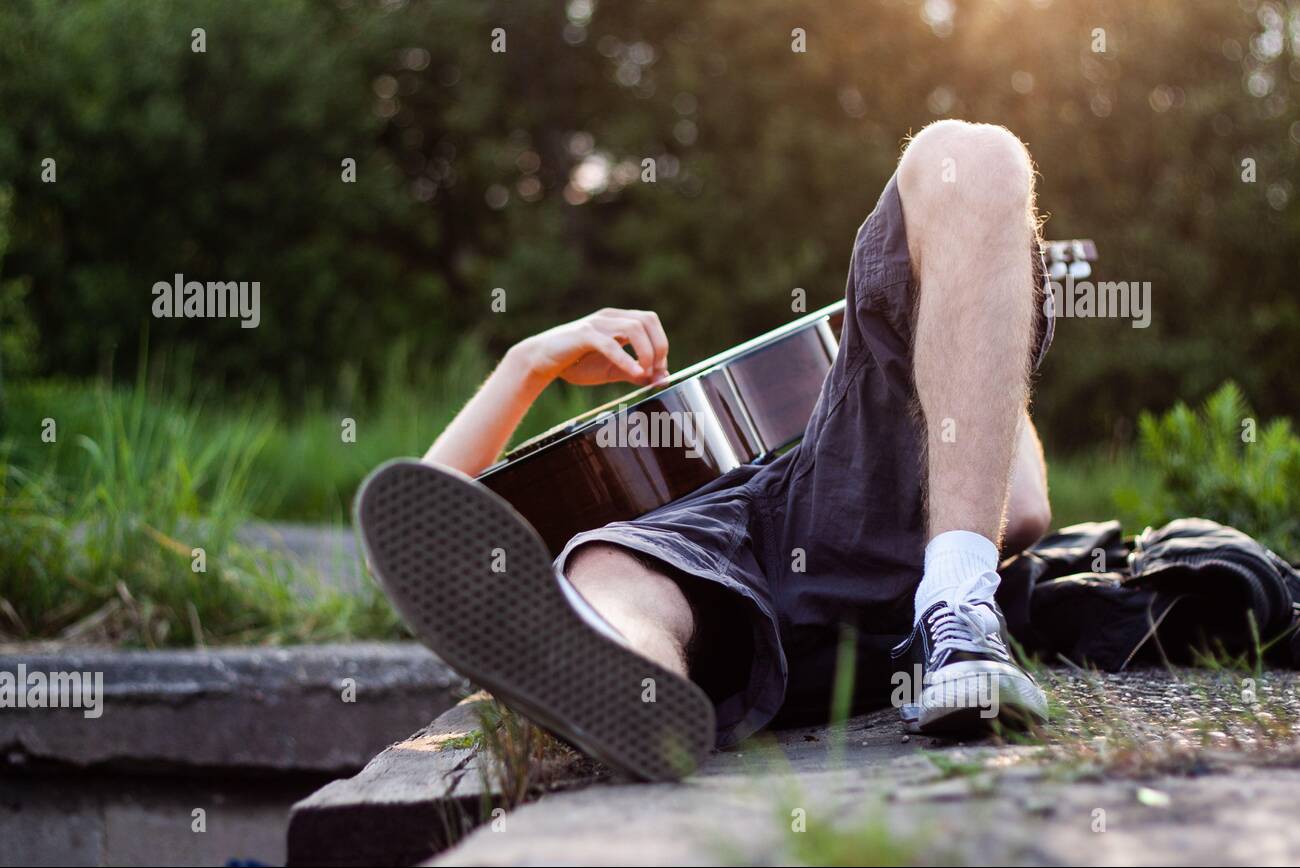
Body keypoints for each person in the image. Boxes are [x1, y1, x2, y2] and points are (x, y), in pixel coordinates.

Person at [356, 119, 1054, 781]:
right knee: (608, 568)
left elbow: (1019, 509)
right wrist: (527, 364)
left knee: (973, 152)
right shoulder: (653, 524)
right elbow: (418, 532)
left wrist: (990, 322)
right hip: (700, 590)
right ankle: (631, 683)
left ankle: (957, 620)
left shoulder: (861, 437)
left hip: (844, 535)